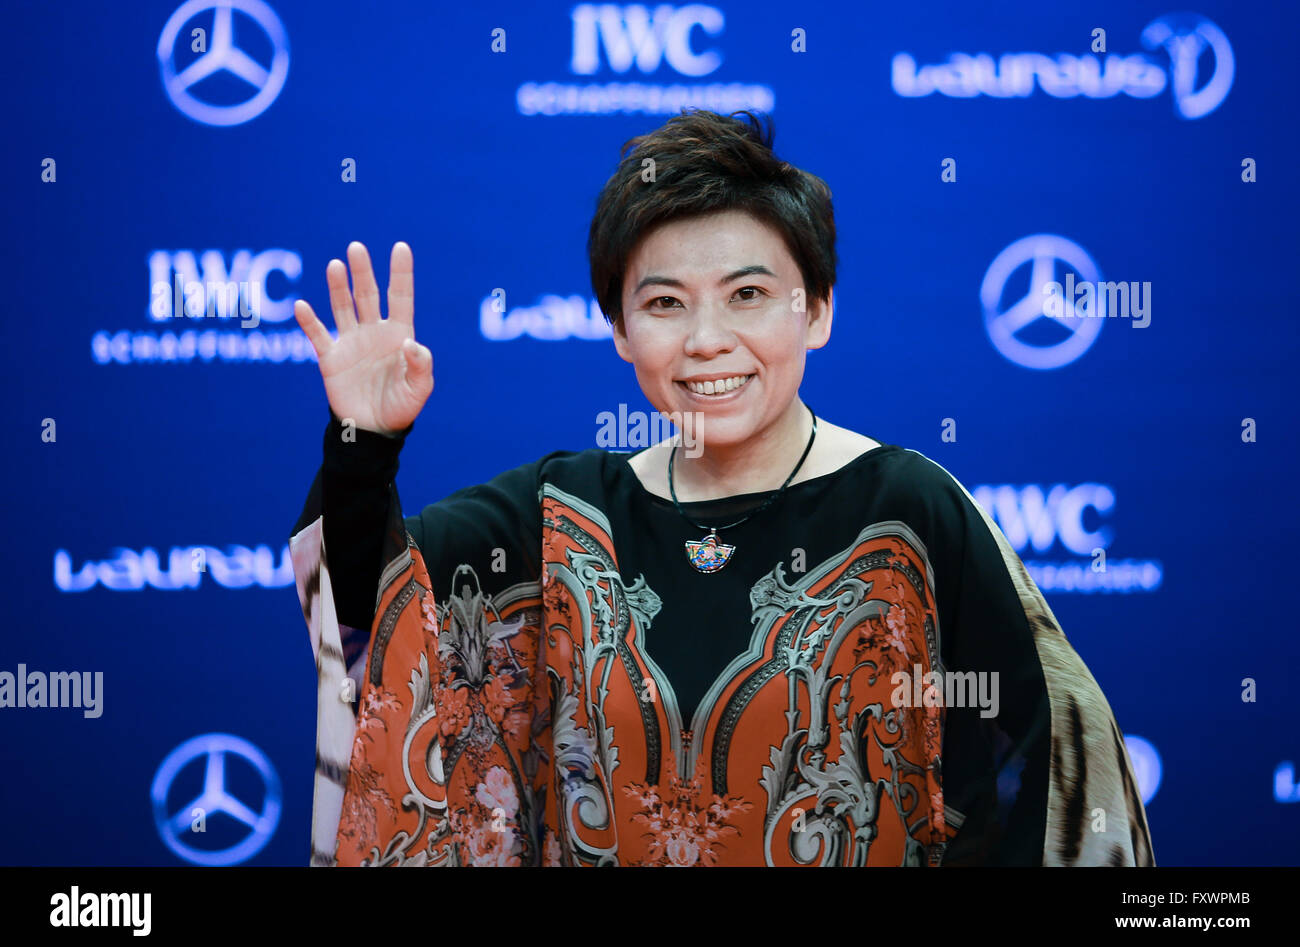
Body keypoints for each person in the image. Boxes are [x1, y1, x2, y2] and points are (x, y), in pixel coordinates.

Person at [287, 109, 1155, 867]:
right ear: (619, 330)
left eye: (747, 294)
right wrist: (363, 441)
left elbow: (1020, 782)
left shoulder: (911, 515)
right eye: (664, 304)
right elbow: (366, 615)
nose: (707, 340)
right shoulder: (557, 518)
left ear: (816, 309)